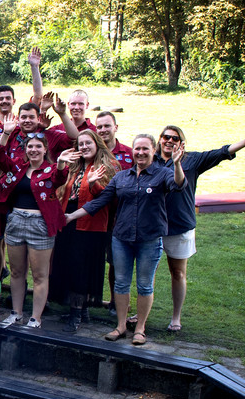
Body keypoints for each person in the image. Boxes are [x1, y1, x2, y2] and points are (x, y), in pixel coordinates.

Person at [68, 134, 186, 345]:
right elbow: (100, 201)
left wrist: (177, 164)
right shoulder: (122, 177)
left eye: (145, 149)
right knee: (121, 284)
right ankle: (121, 326)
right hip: (121, 238)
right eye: (137, 149)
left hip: (149, 240)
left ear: (153, 150)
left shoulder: (163, 174)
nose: (140, 153)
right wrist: (70, 216)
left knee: (144, 285)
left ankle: (140, 328)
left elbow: (178, 184)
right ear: (132, 151)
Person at [156, 125, 245, 332]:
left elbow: (222, 153)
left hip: (180, 226)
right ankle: (141, 313)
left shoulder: (192, 160)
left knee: (178, 273)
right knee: (147, 273)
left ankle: (176, 317)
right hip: (154, 226)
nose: (169, 141)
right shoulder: (150, 159)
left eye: (175, 138)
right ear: (159, 139)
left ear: (181, 143)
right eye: (166, 137)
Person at [0, 126, 69, 329]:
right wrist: (6, 134)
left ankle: (35, 317)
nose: (33, 150)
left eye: (38, 146)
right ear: (25, 150)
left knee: (39, 274)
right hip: (16, 221)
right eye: (30, 146)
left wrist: (60, 165)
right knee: (17, 271)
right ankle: (16, 313)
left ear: (45, 150)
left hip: (40, 225)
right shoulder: (17, 167)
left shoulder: (52, 170)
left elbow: (60, 179)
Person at [50, 130, 117, 331]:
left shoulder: (108, 166)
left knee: (82, 269)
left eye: (88, 143)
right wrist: (61, 163)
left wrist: (94, 184)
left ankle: (77, 315)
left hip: (91, 224)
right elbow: (57, 183)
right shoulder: (75, 166)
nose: (84, 147)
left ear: (97, 144)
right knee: (69, 266)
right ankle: (80, 308)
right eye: (81, 144)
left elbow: (107, 200)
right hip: (68, 222)